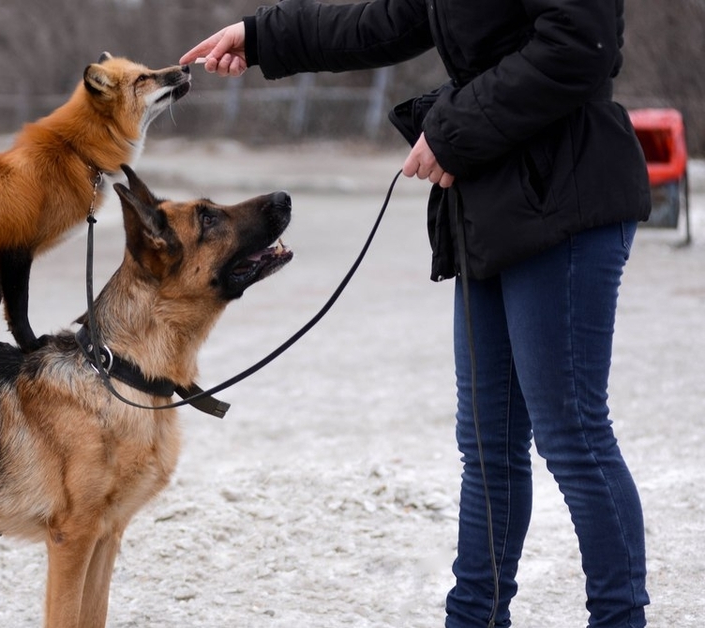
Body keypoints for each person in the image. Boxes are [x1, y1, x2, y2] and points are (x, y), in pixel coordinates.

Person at [181, 2, 650, 627]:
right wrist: (263, 36)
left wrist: (453, 130)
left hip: (564, 188)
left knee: (573, 438)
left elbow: (578, 44)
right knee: (487, 445)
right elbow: (384, 21)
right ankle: (474, 618)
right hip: (490, 198)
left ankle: (620, 620)